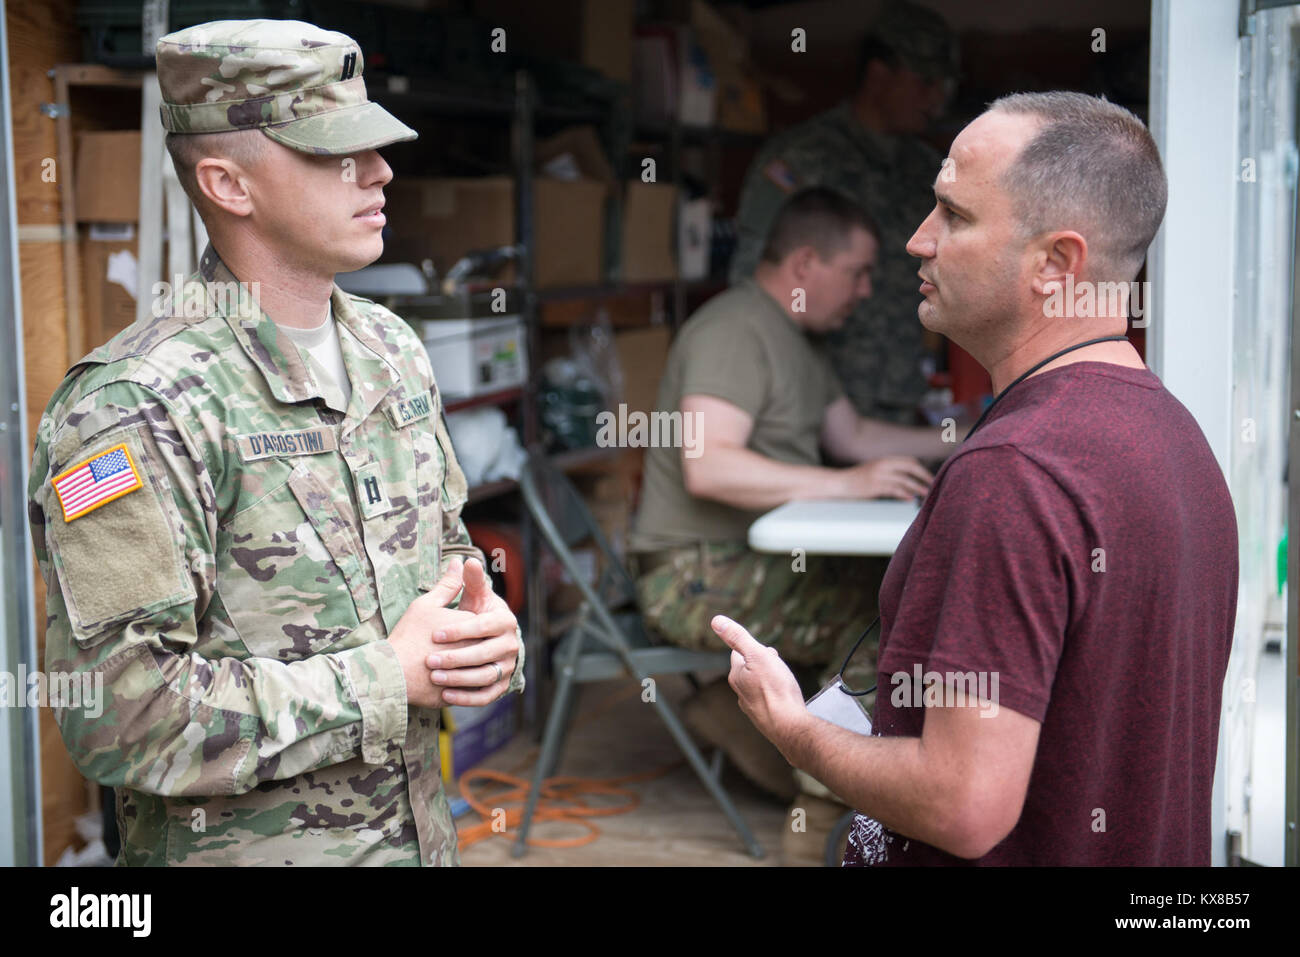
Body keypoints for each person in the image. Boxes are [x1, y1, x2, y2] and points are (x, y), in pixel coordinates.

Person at [27, 19, 525, 867]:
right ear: (228, 182)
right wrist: (383, 677)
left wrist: (484, 637)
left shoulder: (392, 351)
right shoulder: (135, 406)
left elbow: (444, 571)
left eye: (373, 145)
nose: (379, 171)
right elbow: (121, 718)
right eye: (336, 152)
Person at [712, 91, 1239, 866]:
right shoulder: (1177, 437)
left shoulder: (1018, 471)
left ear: (1058, 264)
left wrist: (794, 727)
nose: (917, 241)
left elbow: (961, 804)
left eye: (954, 216)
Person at [628, 187, 951, 811]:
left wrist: (962, 434)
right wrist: (847, 484)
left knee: (891, 595)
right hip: (693, 573)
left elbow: (851, 435)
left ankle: (771, 740)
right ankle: (827, 808)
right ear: (805, 265)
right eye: (856, 273)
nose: (864, 291)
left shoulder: (795, 335)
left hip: (737, 563)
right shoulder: (735, 328)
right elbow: (709, 465)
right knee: (884, 615)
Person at [730, 1, 957, 426]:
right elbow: (753, 281)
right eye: (924, 80)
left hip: (899, 396)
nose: (937, 98)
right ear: (878, 73)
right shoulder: (805, 157)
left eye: (944, 84)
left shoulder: (931, 169)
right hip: (814, 406)